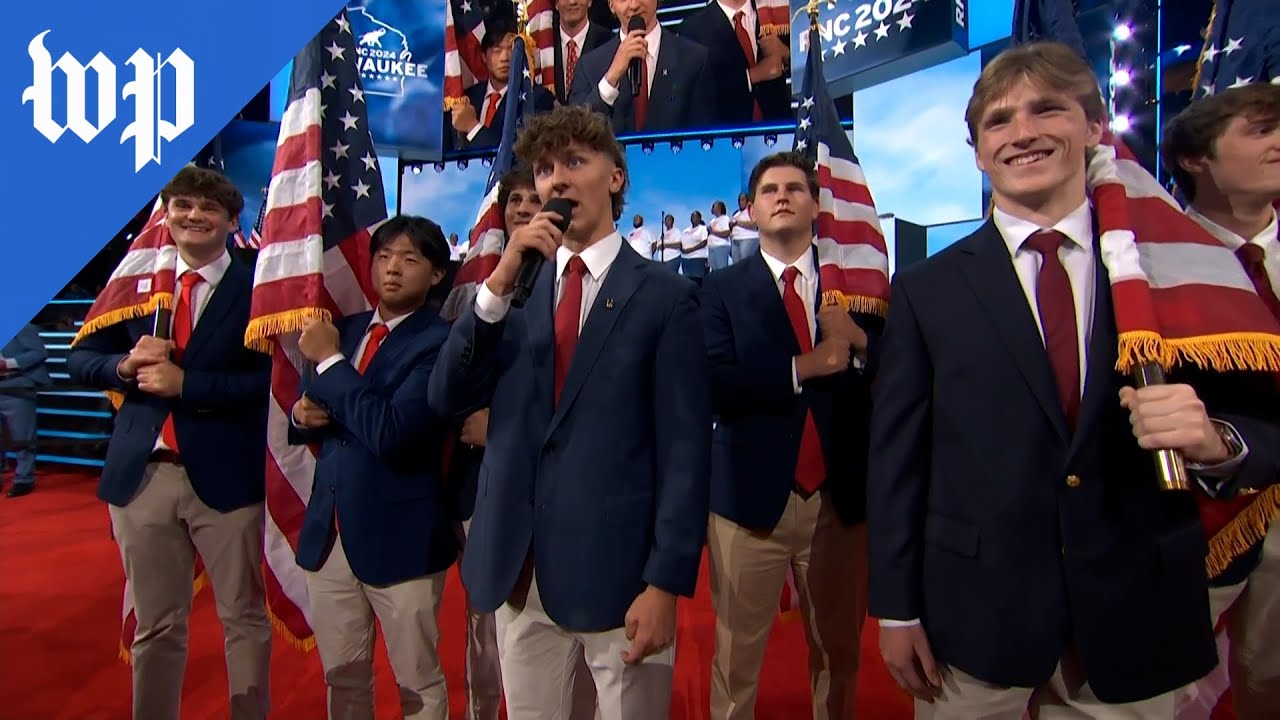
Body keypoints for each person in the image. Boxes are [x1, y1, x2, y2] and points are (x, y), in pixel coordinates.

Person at [868, 42, 1280, 719]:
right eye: (999, 122)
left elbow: (1267, 427)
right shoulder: (924, 291)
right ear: (977, 151)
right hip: (974, 622)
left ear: (1094, 129)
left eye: (1046, 110)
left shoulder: (1174, 273)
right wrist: (894, 609)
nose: (1023, 132)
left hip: (1136, 612)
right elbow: (897, 463)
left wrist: (1217, 442)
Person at [427, 104, 711, 719]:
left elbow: (686, 453)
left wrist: (665, 582)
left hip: (621, 579)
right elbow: (444, 398)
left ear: (615, 177)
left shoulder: (667, 298)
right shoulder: (511, 294)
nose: (555, 181)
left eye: (574, 163)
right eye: (545, 169)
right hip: (518, 575)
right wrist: (496, 287)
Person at [67, 166, 272, 720]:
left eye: (208, 208)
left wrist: (190, 386)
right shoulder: (136, 283)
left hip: (227, 477)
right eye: (182, 205)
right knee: (157, 623)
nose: (193, 216)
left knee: (243, 617)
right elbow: (80, 359)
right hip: (141, 478)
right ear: (167, 215)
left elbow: (274, 383)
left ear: (232, 221)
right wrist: (121, 366)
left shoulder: (259, 283)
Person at [700, 151, 878, 719]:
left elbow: (898, 379)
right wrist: (807, 366)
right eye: (770, 189)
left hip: (839, 502)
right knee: (736, 662)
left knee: (840, 655)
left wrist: (862, 346)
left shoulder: (858, 284)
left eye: (796, 188)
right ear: (750, 210)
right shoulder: (718, 289)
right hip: (748, 504)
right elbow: (712, 382)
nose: (783, 196)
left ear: (816, 203)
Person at [289, 215, 457, 720]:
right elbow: (318, 409)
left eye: (409, 259)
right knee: (343, 679)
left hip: (401, 537)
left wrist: (330, 366)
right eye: (383, 257)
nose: (392, 269)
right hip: (330, 533)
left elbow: (390, 431)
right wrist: (302, 415)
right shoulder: (344, 330)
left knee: (418, 685)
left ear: (435, 275)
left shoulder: (443, 343)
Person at [1162, 82, 1280, 719]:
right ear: (1195, 158)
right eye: (1260, 131)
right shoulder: (1141, 260)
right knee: (1171, 693)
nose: (1278, 145)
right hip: (1193, 517)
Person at [567, 0, 714, 134]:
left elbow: (703, 139)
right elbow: (576, 134)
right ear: (611, 5)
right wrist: (611, 78)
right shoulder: (589, 66)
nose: (633, 5)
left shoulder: (694, 59)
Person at [676, 0, 792, 126]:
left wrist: (787, 54)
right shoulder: (693, 29)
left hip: (782, 135)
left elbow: (810, 74)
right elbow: (697, 95)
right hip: (724, 137)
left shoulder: (777, 14)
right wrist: (752, 75)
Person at [451, 20, 555, 150]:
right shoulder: (467, 97)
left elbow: (519, 155)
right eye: (497, 50)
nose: (504, 58)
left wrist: (473, 127)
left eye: (511, 49)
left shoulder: (538, 99)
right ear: (483, 56)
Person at [0, 323, 51, 497]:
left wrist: (7, 364)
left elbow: (39, 353)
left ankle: (24, 479)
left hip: (17, 385)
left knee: (22, 435)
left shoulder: (20, 324)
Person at [551, 0, 613, 105]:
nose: (572, 2)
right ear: (556, 4)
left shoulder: (609, 42)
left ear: (589, 2)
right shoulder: (545, 46)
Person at [729, 192, 759, 262]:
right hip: (735, 240)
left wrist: (737, 223)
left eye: (743, 199)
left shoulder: (752, 211)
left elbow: (755, 225)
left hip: (748, 239)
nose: (740, 202)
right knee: (736, 266)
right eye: (739, 200)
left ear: (748, 200)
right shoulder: (736, 213)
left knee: (745, 263)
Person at [681, 210, 710, 283]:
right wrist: (682, 249)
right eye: (692, 216)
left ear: (699, 218)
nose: (693, 218)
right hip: (686, 259)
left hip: (698, 258)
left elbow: (704, 242)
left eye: (695, 216)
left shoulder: (703, 228)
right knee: (687, 281)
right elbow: (680, 242)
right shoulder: (685, 230)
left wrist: (690, 249)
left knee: (698, 280)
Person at [707, 201, 733, 271]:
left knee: (722, 270)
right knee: (714, 271)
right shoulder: (712, 221)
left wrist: (712, 232)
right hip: (712, 247)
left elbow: (727, 233)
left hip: (721, 246)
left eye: (714, 206)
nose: (712, 208)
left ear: (719, 208)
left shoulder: (725, 218)